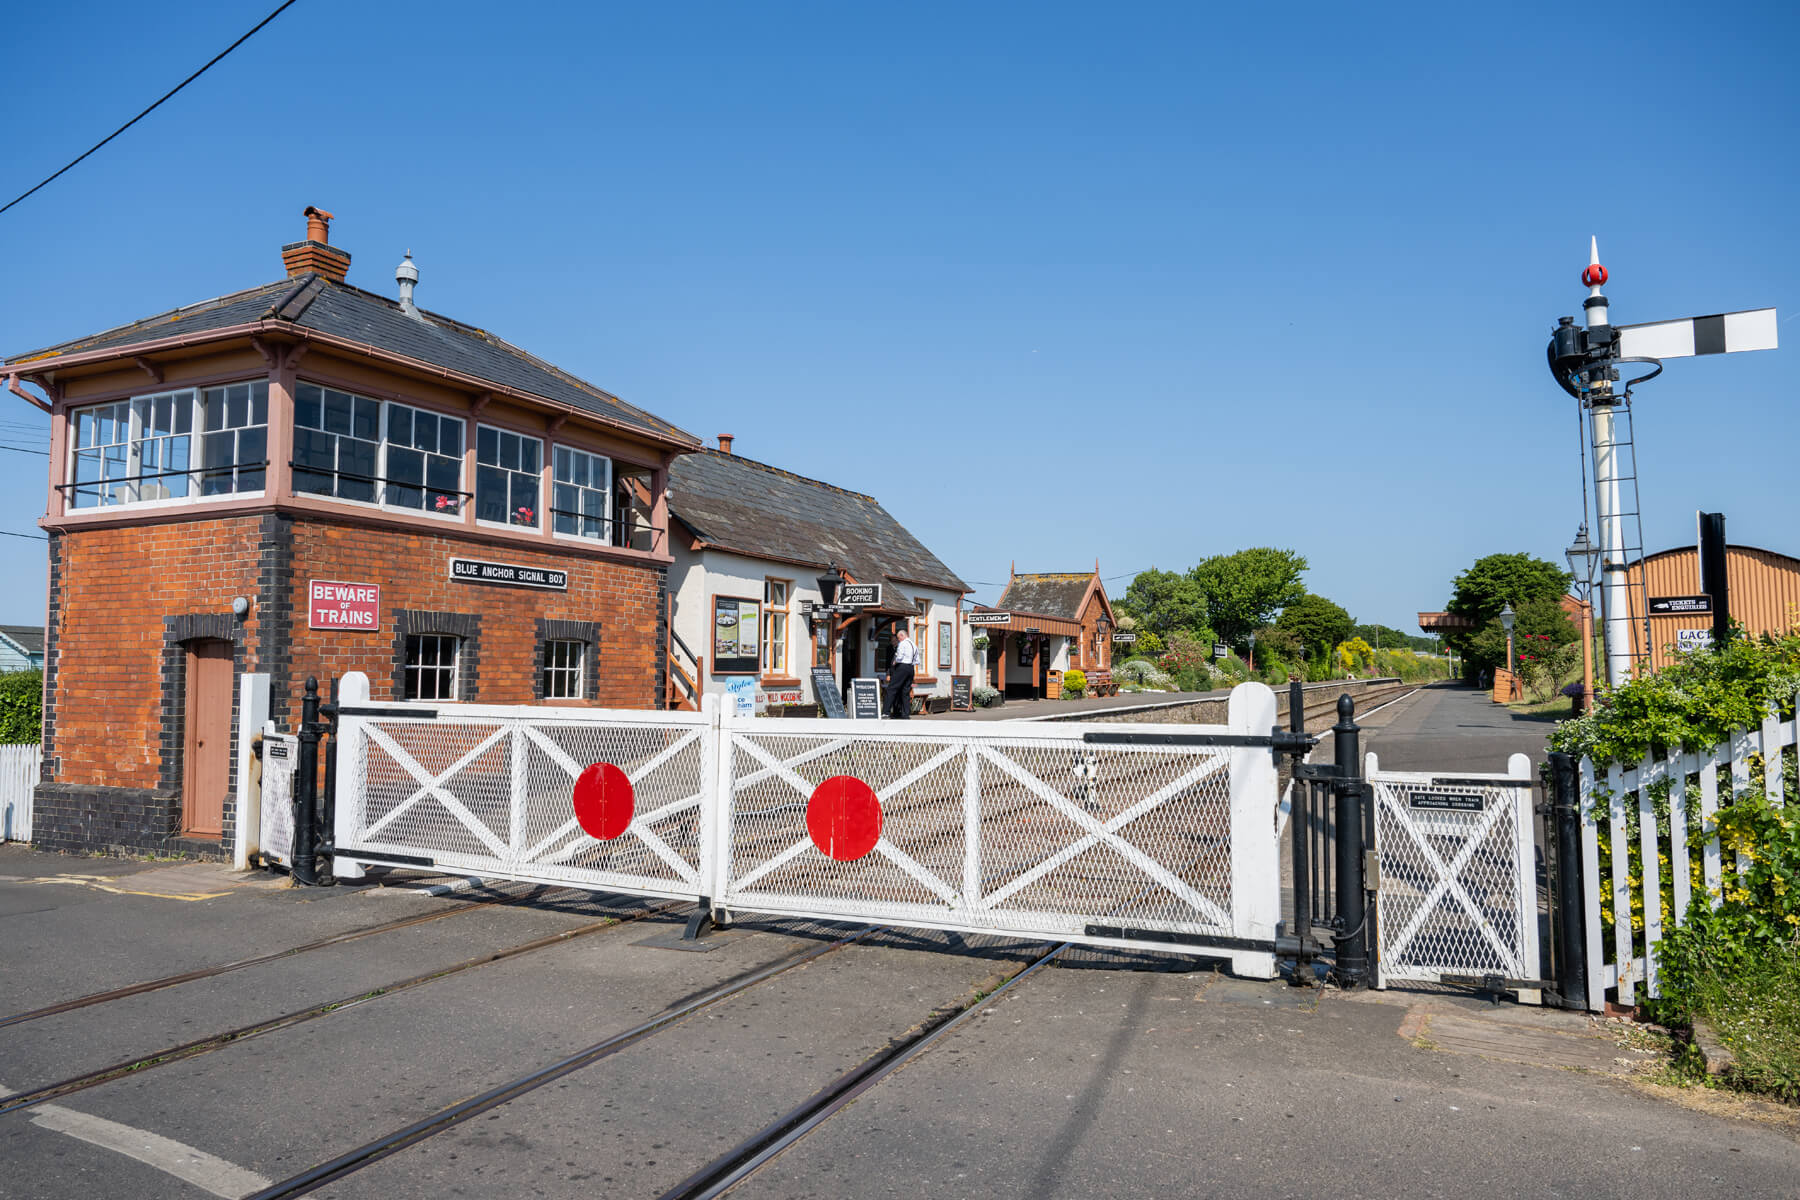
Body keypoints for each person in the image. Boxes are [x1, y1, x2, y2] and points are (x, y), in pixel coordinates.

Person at [886, 622, 918, 719]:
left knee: (891, 689)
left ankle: (886, 712)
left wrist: (895, 661)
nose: (898, 640)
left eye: (898, 638)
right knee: (905, 692)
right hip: (911, 668)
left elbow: (899, 657)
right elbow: (917, 660)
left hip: (902, 667)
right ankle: (905, 714)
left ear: (902, 635)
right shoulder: (914, 645)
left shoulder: (903, 643)